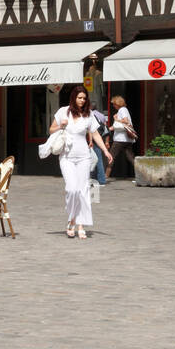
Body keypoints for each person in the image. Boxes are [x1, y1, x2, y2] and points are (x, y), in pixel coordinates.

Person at [51, 86, 110, 239]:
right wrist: (61, 125)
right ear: (73, 98)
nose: (82, 101)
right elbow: (51, 130)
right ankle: (71, 220)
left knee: (83, 190)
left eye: (84, 98)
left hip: (84, 156)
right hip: (67, 157)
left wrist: (105, 150)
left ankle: (80, 224)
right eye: (79, 98)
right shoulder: (63, 112)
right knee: (72, 189)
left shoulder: (88, 114)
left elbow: (95, 133)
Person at [106, 95, 138, 180]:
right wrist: (110, 128)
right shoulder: (124, 110)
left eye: (114, 104)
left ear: (118, 103)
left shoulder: (122, 110)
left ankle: (105, 177)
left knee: (111, 156)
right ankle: (141, 175)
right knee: (130, 157)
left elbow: (126, 121)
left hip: (120, 139)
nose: (113, 106)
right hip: (127, 139)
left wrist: (116, 119)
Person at [89, 103, 109, 186]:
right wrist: (107, 141)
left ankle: (101, 180)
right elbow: (106, 128)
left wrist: (90, 141)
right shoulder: (101, 115)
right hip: (101, 138)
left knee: (97, 159)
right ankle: (94, 178)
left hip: (94, 139)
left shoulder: (90, 115)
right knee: (97, 159)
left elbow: (91, 130)